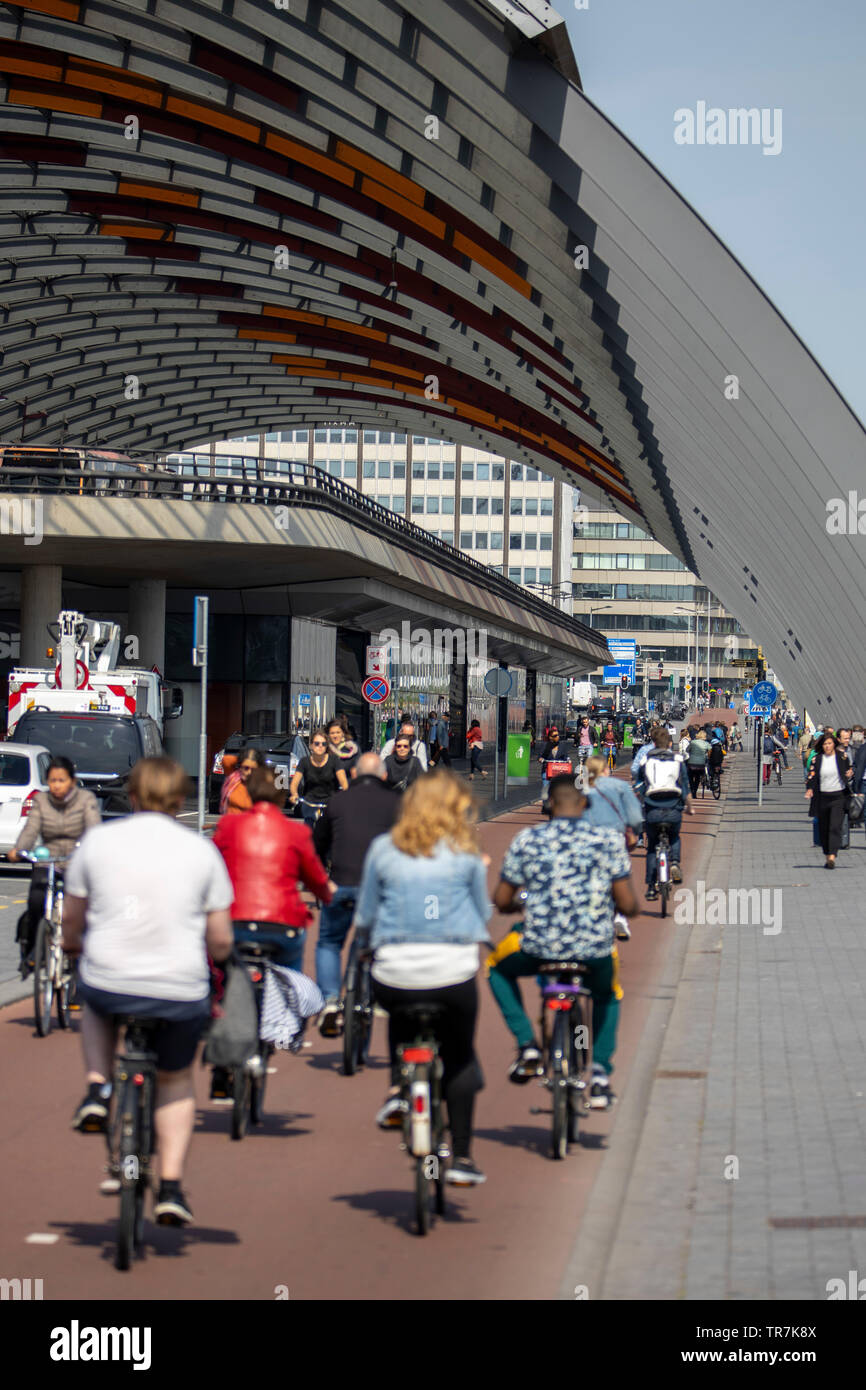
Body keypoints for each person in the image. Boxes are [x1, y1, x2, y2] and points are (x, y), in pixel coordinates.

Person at [62, 758, 235, 1227]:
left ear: (131, 796)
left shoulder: (98, 842)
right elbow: (220, 940)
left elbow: (72, 924)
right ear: (181, 801)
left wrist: (74, 946)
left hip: (112, 980)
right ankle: (172, 1186)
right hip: (178, 989)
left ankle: (98, 1090)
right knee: (176, 1081)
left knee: (94, 999)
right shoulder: (201, 852)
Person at [353, 770, 491, 1186]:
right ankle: (463, 1157)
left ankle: (399, 1088)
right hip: (452, 972)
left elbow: (365, 915)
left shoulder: (383, 848)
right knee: (461, 1055)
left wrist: (367, 943)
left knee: (399, 1009)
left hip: (395, 969)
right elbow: (483, 912)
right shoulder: (465, 852)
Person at [488, 775, 638, 1106]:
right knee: (608, 994)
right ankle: (599, 1072)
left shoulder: (527, 840)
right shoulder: (607, 842)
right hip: (593, 948)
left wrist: (516, 904)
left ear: (548, 806)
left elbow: (501, 898)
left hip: (539, 946)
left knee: (496, 969)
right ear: (585, 804)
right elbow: (628, 905)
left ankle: (527, 1044)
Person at [213, 765, 334, 972]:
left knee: (221, 971)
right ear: (282, 795)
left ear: (250, 791)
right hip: (284, 924)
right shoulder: (296, 832)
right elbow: (316, 879)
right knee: (291, 980)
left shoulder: (229, 826)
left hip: (237, 920)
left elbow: (212, 869)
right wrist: (328, 893)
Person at [312, 753, 400, 1034]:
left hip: (340, 884)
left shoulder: (337, 801)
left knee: (328, 941)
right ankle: (376, 996)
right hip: (378, 891)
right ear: (384, 776)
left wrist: (321, 880)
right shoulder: (396, 803)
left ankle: (329, 1000)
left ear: (353, 775)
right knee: (376, 943)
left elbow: (317, 844)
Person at [9, 755, 102, 976]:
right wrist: (19, 849)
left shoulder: (85, 800)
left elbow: (94, 829)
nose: (56, 786)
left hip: (76, 862)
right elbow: (31, 829)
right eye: (52, 781)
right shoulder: (41, 801)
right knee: (36, 900)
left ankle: (80, 970)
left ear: (71, 781)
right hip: (48, 859)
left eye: (61, 780)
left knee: (82, 913)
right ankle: (32, 952)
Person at [633, 729, 693, 899]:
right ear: (669, 744)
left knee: (652, 846)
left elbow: (639, 784)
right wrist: (690, 807)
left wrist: (641, 797)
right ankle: (674, 862)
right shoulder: (677, 760)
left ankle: (651, 888)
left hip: (652, 809)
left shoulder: (646, 760)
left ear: (653, 742)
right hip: (673, 807)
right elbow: (685, 787)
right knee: (674, 836)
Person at [805, 733, 852, 869]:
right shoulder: (817, 759)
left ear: (834, 744)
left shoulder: (842, 757)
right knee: (824, 828)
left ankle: (832, 856)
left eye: (830, 743)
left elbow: (848, 770)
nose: (827, 746)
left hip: (839, 796)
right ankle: (827, 854)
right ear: (822, 745)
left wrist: (849, 773)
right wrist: (809, 789)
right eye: (825, 744)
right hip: (822, 797)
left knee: (835, 827)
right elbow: (812, 776)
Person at [290, 727, 349, 822]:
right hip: (309, 803)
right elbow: (294, 783)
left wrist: (345, 796)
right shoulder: (304, 762)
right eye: (317, 744)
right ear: (311, 745)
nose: (320, 746)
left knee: (331, 829)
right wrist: (294, 795)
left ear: (327, 746)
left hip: (329, 804)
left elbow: (343, 782)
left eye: (324, 744)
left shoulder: (334, 761)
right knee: (309, 827)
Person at [222, 746, 265, 814]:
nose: (249, 772)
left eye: (253, 769)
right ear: (240, 766)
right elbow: (226, 760)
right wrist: (242, 759)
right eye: (246, 768)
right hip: (230, 822)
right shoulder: (234, 778)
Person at [537, 725, 569, 807]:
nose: (557, 737)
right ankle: (545, 805)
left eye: (558, 735)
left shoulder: (562, 745)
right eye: (555, 736)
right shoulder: (546, 745)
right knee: (546, 787)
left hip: (558, 770)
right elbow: (540, 757)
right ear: (550, 737)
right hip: (547, 770)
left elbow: (565, 756)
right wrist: (542, 759)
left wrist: (568, 760)